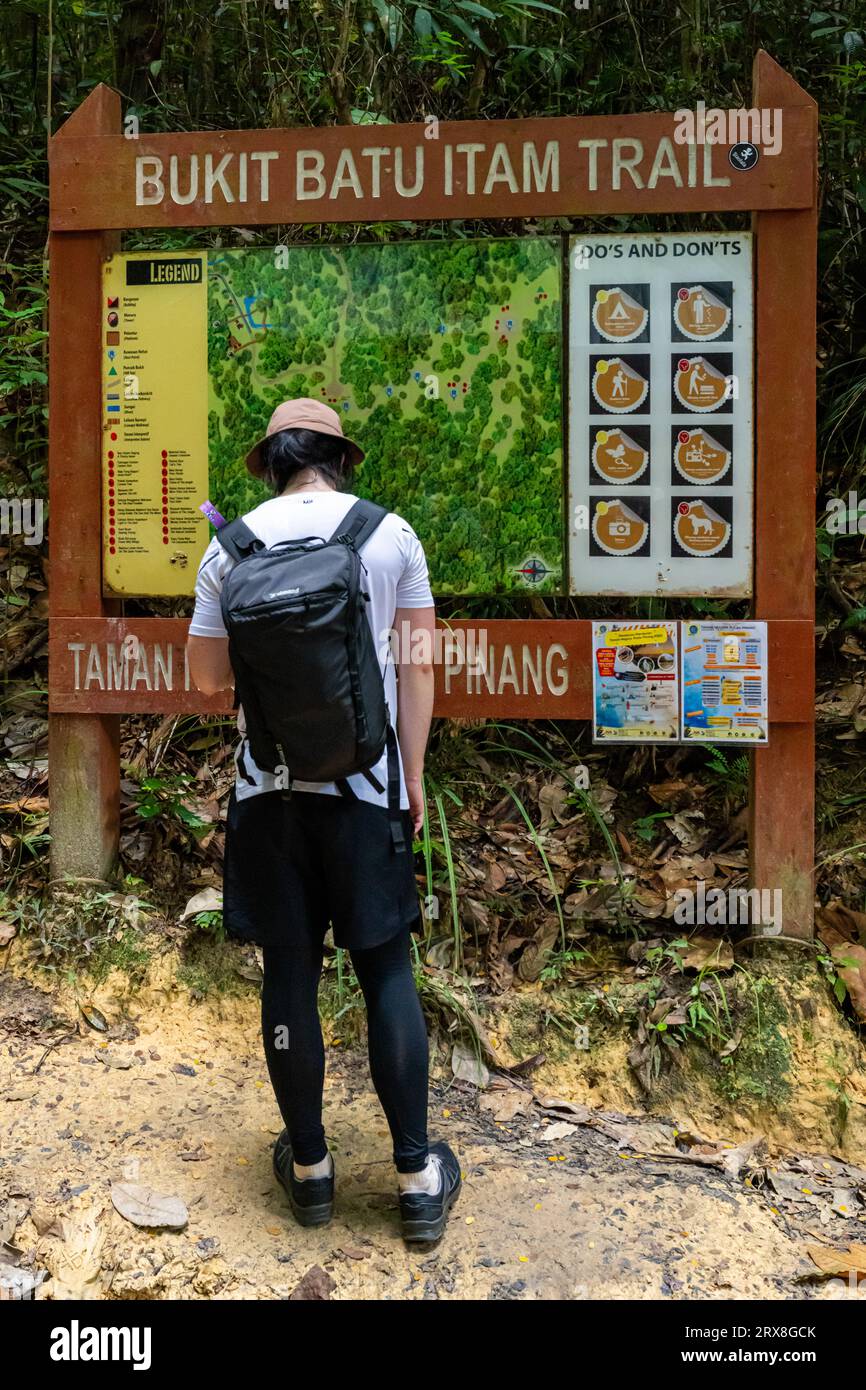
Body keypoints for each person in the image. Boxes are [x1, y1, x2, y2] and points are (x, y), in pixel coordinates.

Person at [187, 398, 461, 1243]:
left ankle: (310, 1171)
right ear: (341, 459)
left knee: (289, 971)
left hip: (268, 794)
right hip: (367, 791)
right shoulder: (391, 535)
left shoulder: (227, 548)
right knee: (386, 968)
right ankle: (416, 1179)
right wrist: (409, 774)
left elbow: (204, 682)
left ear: (268, 464)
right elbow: (418, 669)